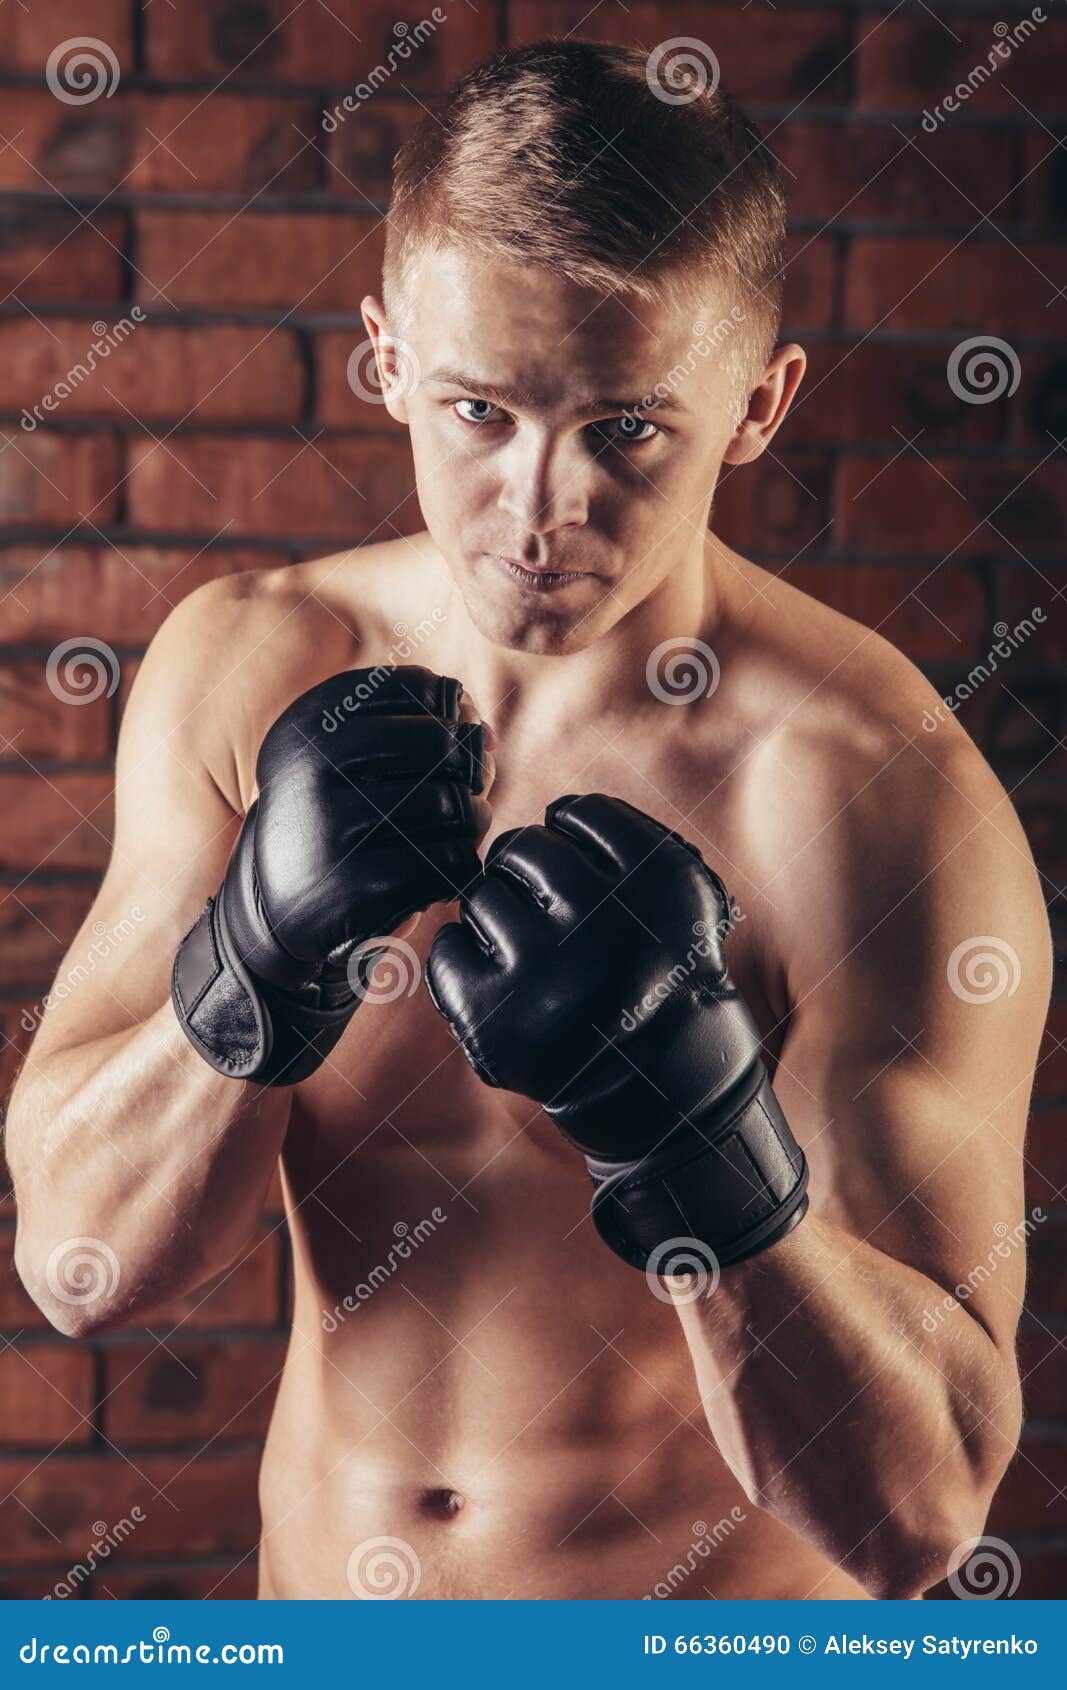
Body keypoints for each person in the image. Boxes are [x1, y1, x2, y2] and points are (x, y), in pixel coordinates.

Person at [7, 40, 1051, 1601]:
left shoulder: (864, 785)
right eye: (478, 410)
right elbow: (77, 1263)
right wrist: (250, 967)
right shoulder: (251, 671)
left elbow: (920, 1516)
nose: (540, 502)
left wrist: (709, 1157)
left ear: (757, 406)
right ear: (382, 361)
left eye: (627, 428)